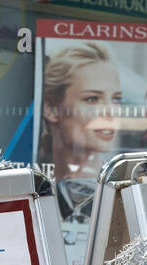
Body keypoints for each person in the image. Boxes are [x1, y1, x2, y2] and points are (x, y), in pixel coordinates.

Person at [39, 42, 124, 182]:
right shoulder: (27, 173)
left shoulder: (120, 184)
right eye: (92, 99)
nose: (111, 111)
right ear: (51, 110)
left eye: (116, 99)